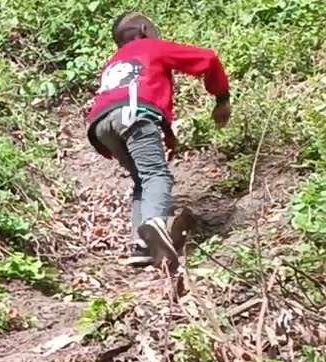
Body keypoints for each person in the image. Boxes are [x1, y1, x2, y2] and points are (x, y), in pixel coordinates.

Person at [86, 12, 232, 269]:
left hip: (100, 126)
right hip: (133, 115)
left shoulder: (113, 63)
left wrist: (167, 139)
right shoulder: (150, 46)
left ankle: (141, 246)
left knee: (143, 180)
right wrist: (222, 99)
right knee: (156, 175)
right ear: (143, 29)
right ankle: (154, 224)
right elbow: (208, 59)